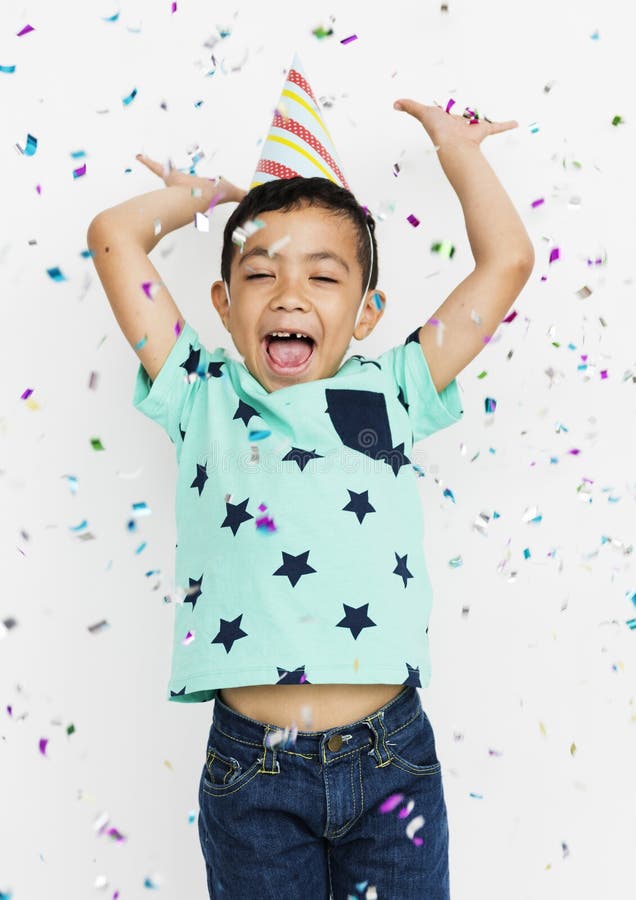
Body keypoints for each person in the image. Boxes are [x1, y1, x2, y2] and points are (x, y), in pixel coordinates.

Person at [86, 82, 534, 898]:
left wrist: (459, 155)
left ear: (367, 312)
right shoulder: (200, 392)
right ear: (224, 304)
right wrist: (198, 198)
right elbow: (113, 237)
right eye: (261, 272)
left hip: (392, 757)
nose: (290, 294)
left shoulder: (397, 389)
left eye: (323, 278)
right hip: (249, 774)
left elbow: (506, 263)